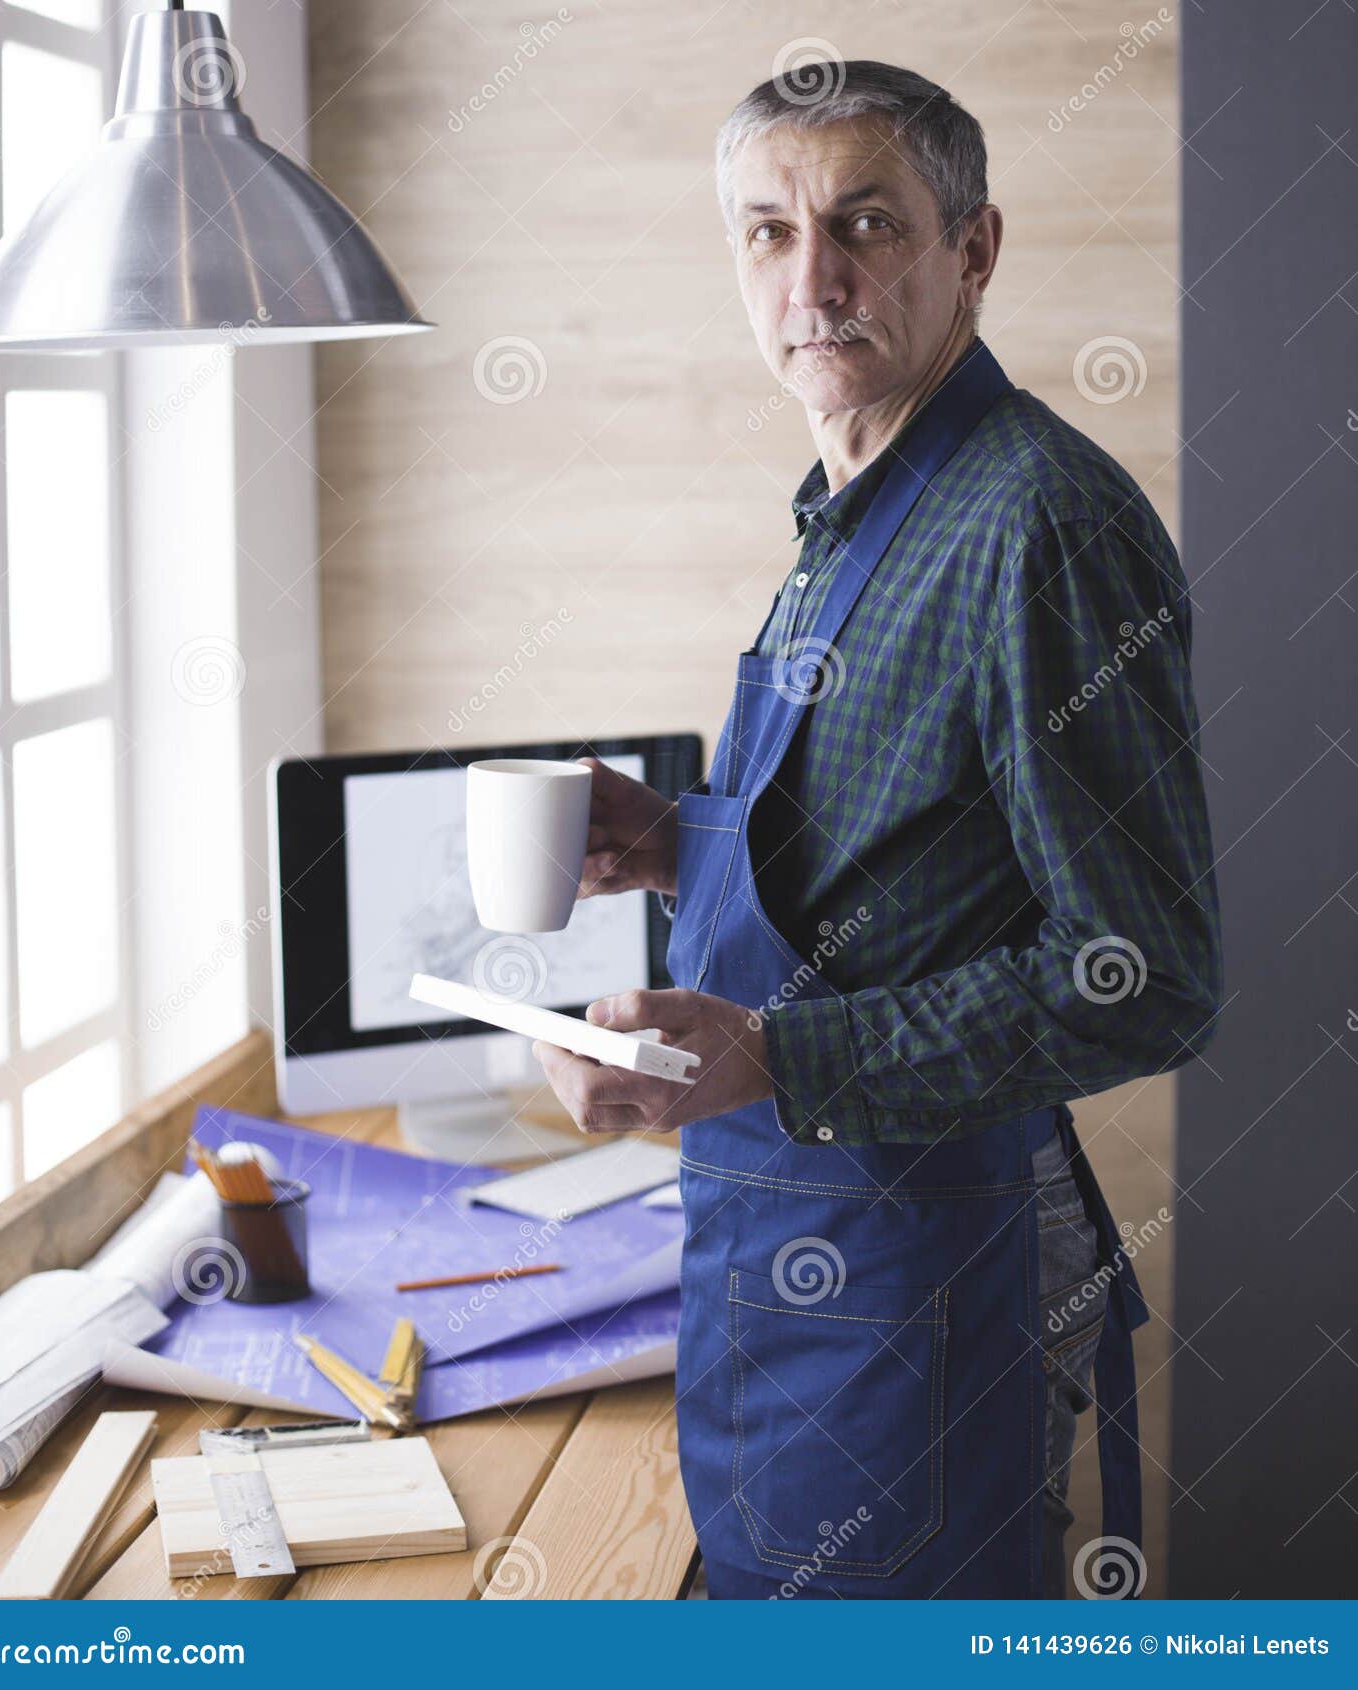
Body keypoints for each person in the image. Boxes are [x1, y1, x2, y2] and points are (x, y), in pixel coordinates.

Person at [531, 60, 1222, 1600]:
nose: (813, 278)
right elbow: (912, 865)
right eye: (767, 232)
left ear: (973, 249)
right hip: (781, 1274)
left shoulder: (1038, 525)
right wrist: (674, 841)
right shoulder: (849, 507)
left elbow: (1151, 972)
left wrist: (778, 1055)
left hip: (918, 1297)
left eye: (864, 224)